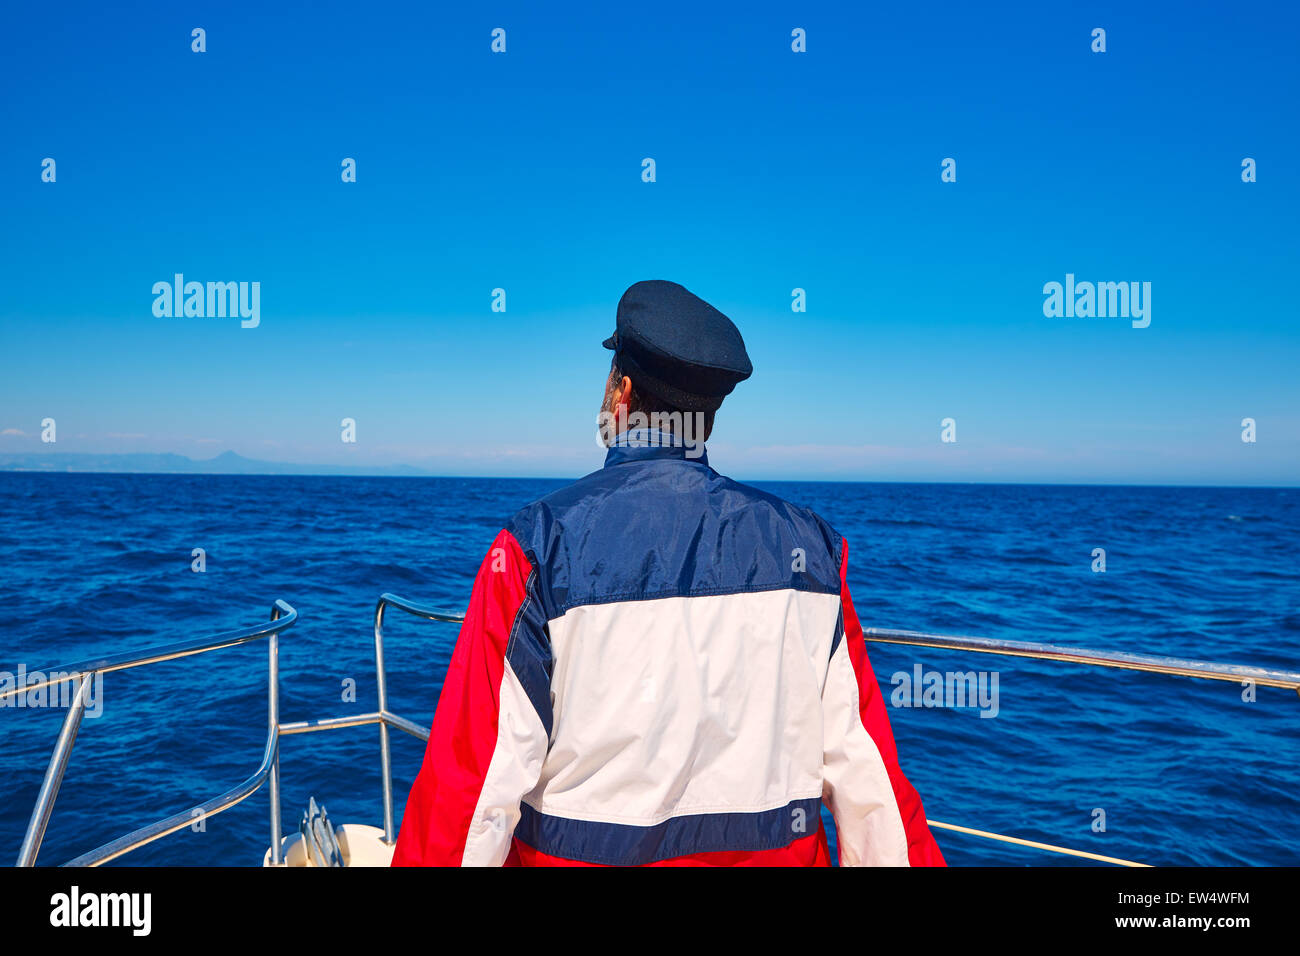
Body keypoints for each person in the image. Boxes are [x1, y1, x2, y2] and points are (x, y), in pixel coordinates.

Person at [392, 279, 945, 866]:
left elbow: (472, 792)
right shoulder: (809, 551)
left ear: (622, 392)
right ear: (708, 415)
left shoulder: (537, 547)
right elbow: (872, 792)